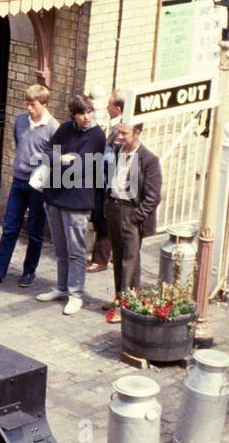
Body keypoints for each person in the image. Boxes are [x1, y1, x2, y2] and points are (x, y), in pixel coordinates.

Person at [36, 94, 106, 316]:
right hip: (54, 197)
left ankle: (76, 294)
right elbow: (46, 153)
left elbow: (80, 168)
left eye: (89, 112)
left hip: (77, 201)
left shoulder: (96, 135)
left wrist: (63, 161)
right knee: (60, 248)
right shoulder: (65, 128)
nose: (86, 117)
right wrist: (61, 159)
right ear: (73, 115)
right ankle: (61, 287)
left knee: (76, 251)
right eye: (81, 113)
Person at [0, 84, 57, 287]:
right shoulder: (20, 120)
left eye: (33, 104)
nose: (29, 108)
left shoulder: (53, 127)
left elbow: (54, 158)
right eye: (27, 104)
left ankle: (29, 271)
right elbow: (18, 141)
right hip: (19, 181)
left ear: (44, 104)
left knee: (35, 231)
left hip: (38, 186)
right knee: (9, 227)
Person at [103, 120, 162, 324]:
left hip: (131, 213)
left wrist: (135, 218)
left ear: (137, 133)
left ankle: (126, 305)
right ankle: (121, 297)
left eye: (124, 133)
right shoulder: (118, 151)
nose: (119, 136)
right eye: (118, 132)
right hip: (114, 208)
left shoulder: (149, 160)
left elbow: (153, 197)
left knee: (130, 260)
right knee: (118, 257)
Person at [88, 90, 124, 273]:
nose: (107, 107)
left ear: (117, 108)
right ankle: (99, 256)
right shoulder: (112, 124)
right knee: (98, 216)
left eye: (109, 104)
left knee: (104, 218)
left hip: (109, 180)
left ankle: (101, 259)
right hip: (102, 178)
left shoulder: (120, 128)